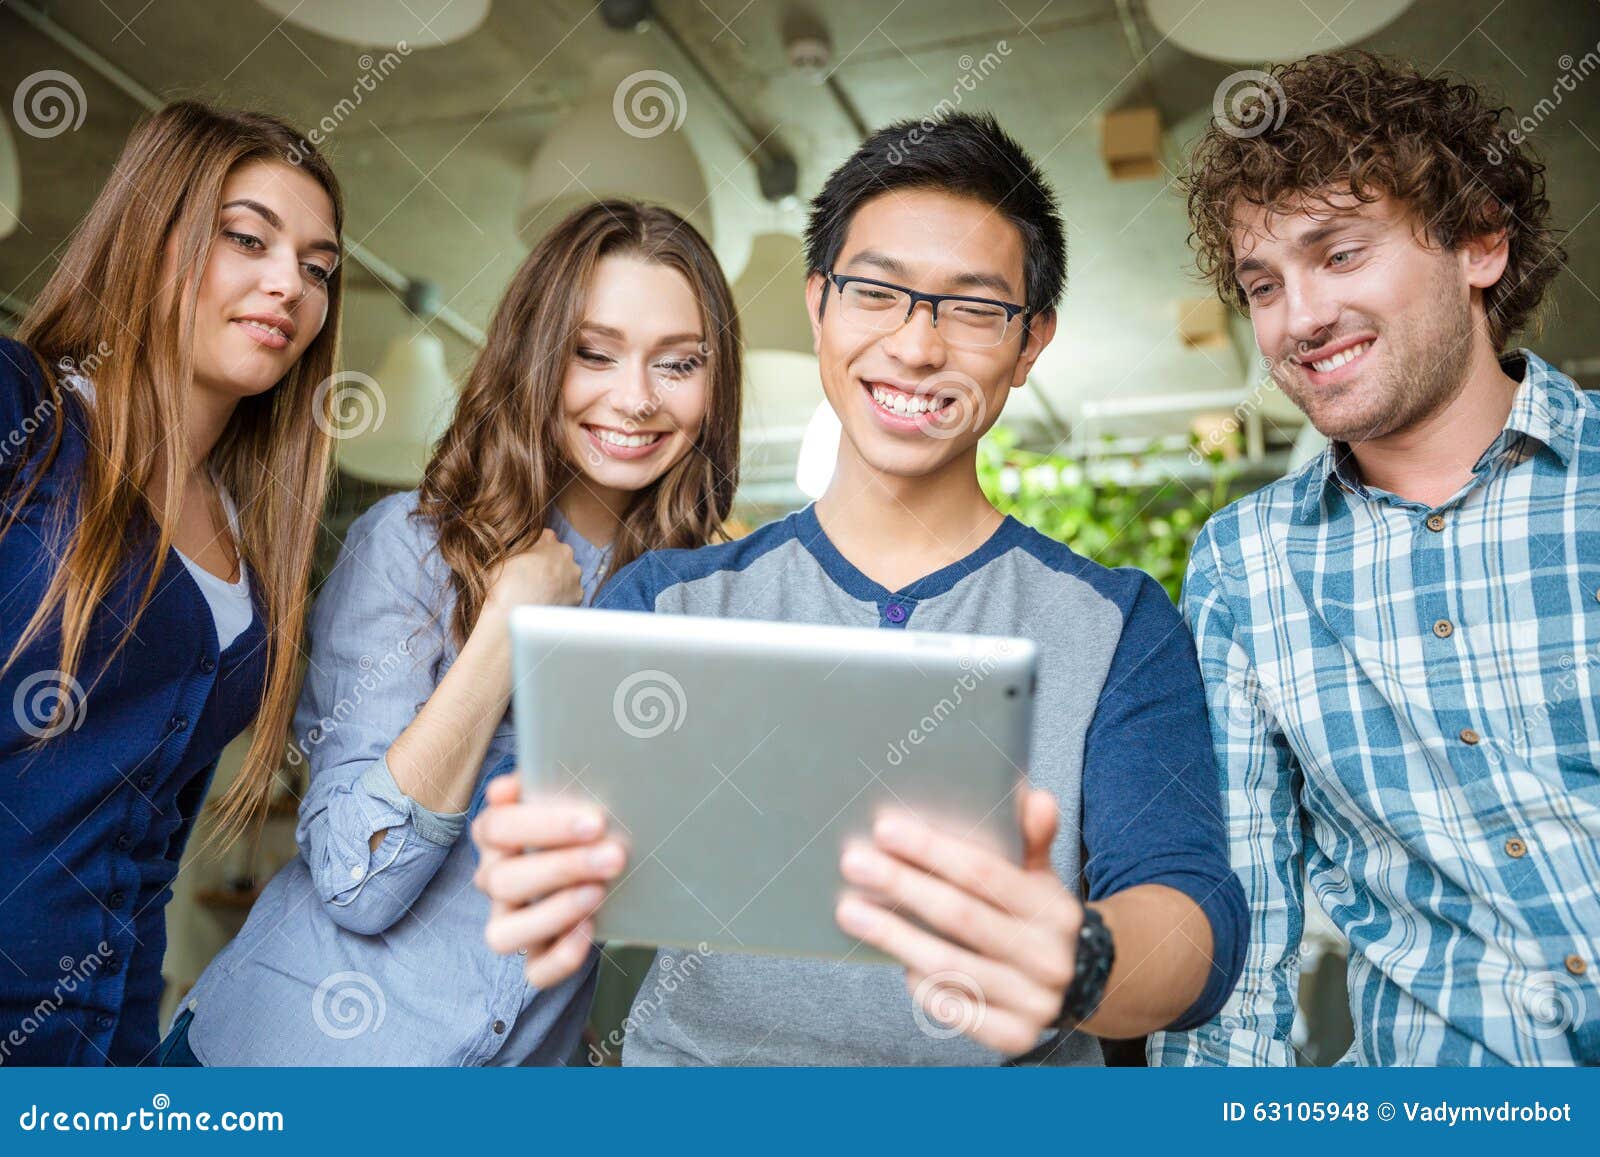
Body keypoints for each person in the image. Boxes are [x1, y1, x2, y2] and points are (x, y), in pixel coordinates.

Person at [472, 112, 1247, 1066]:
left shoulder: (1117, 624)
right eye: (876, 291)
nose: (917, 348)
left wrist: (1076, 960)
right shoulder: (665, 604)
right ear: (819, 304)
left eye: (973, 307)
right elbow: (574, 852)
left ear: (1031, 339)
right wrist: (546, 874)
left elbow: (1189, 920)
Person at [158, 201, 742, 1065]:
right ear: (540, 356)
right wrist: (505, 629)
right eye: (594, 352)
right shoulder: (411, 546)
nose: (636, 397)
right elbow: (358, 883)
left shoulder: (715, 610)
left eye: (679, 362)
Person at [1148, 52, 1597, 1066]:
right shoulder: (1244, 567)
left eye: (1339, 255)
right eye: (1263, 284)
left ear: (1479, 243)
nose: (1298, 319)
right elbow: (1244, 930)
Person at [0, 101, 344, 1065]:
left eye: (318, 269)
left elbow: (145, 858)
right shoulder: (25, 415)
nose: (291, 286)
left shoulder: (254, 558)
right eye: (248, 238)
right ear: (152, 238)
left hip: (98, 1054)